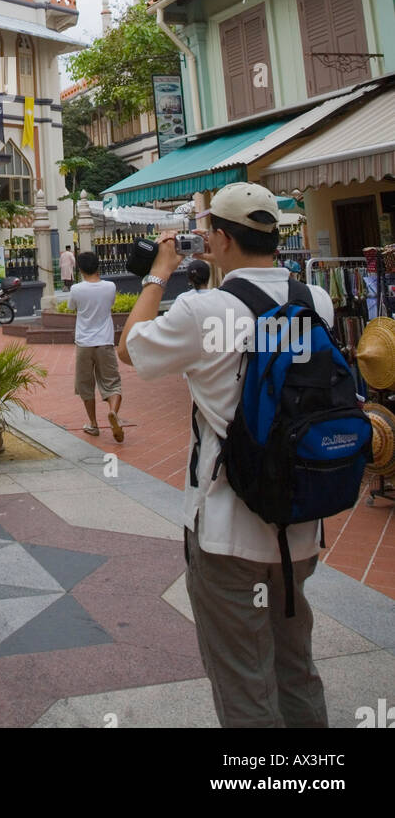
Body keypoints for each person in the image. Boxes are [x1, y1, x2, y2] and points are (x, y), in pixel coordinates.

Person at [117, 182, 333, 729]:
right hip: (301, 523)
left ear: (218, 237)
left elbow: (130, 347)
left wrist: (156, 273)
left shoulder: (201, 309)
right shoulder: (317, 300)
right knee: (295, 666)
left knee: (244, 682)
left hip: (227, 530)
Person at [67, 251, 121, 440]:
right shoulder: (110, 287)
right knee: (112, 383)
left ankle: (93, 424)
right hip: (105, 341)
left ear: (80, 269)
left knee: (85, 385)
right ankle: (113, 412)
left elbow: (72, 307)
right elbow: (111, 304)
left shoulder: (76, 289)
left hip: (84, 343)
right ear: (98, 265)